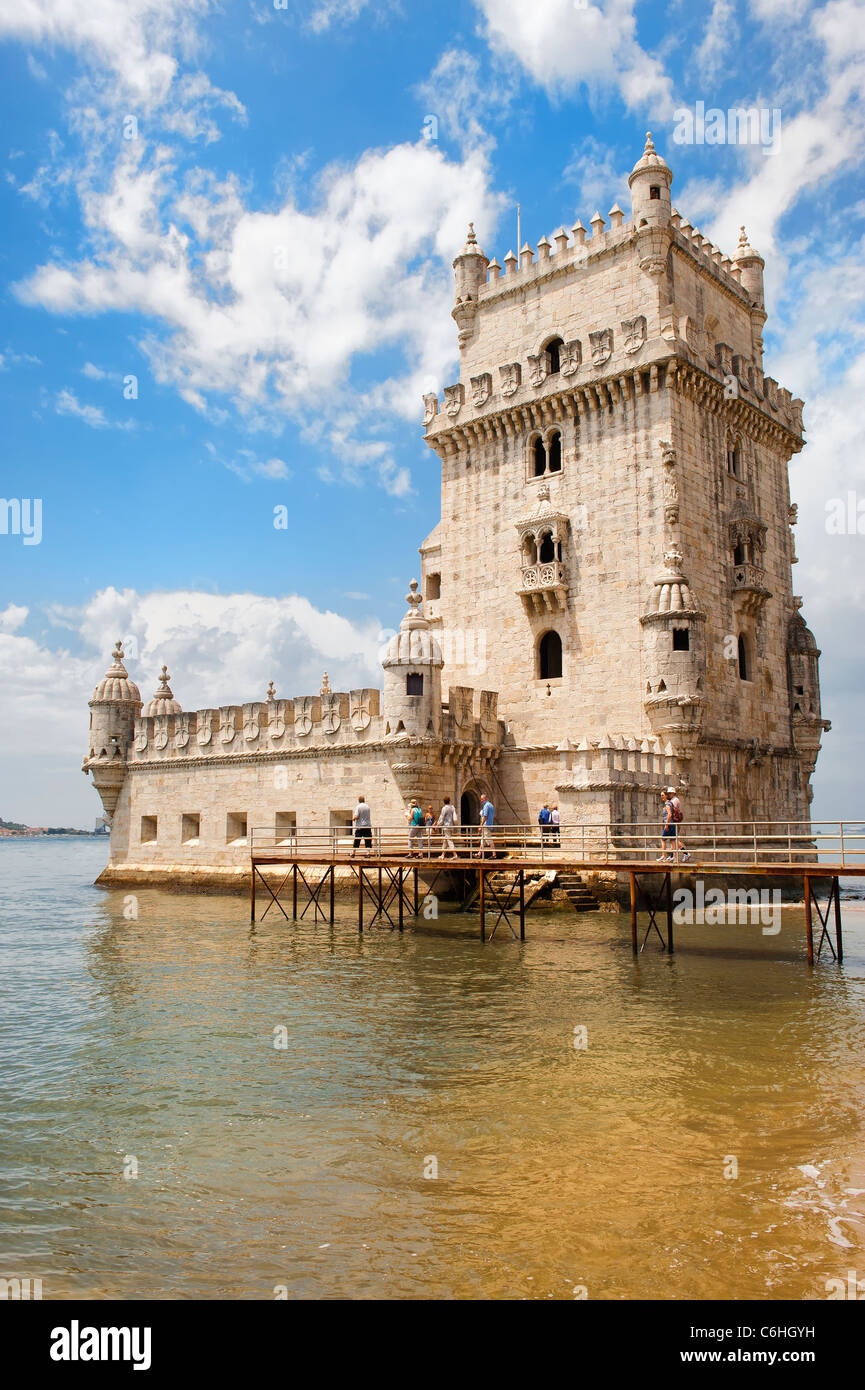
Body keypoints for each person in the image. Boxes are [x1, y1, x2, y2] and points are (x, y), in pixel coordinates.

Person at [666, 786, 689, 861]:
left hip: (674, 822)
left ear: (673, 793)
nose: (668, 794)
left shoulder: (675, 800)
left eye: (670, 793)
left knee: (674, 839)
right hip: (673, 822)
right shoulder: (673, 800)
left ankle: (685, 853)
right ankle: (672, 855)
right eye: (668, 793)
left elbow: (671, 811)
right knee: (673, 839)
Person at [477, 792, 495, 857]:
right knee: (483, 839)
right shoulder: (491, 805)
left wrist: (480, 826)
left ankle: (494, 854)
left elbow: (485, 816)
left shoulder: (486, 805)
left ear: (484, 799)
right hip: (489, 824)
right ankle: (479, 854)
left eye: (481, 799)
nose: (481, 800)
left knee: (489, 839)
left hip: (486, 825)